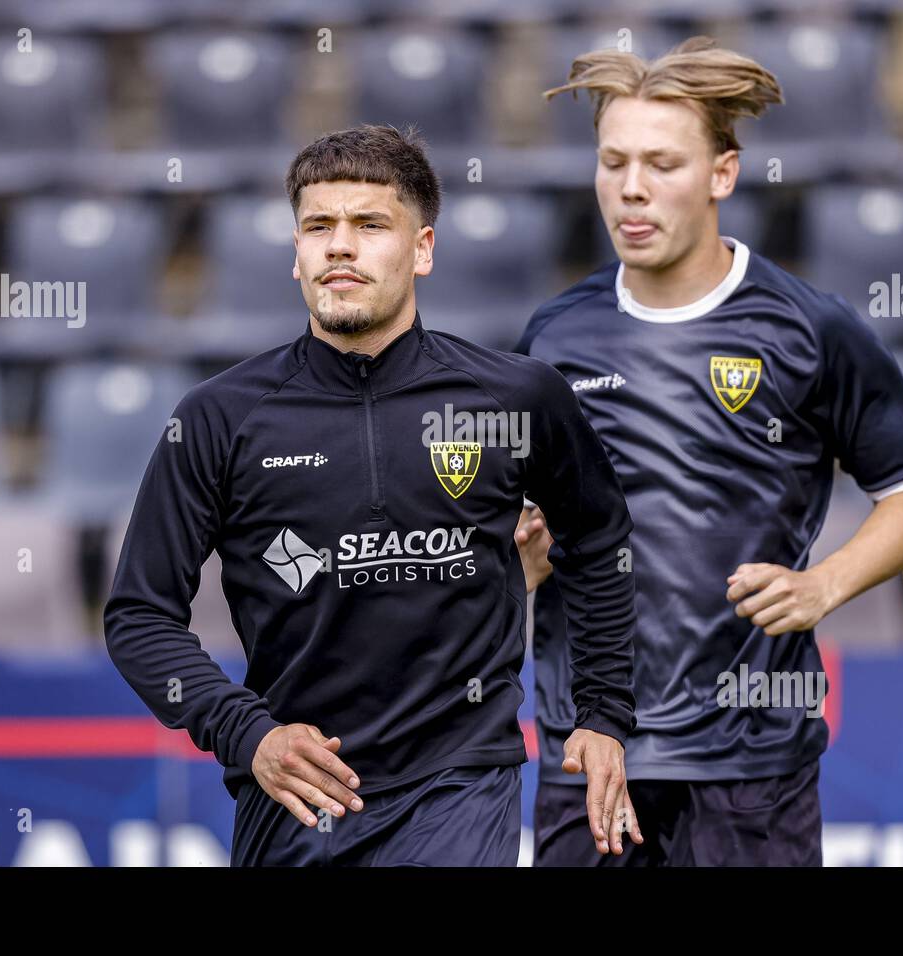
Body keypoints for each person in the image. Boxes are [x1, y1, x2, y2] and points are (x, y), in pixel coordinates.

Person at [106, 124, 641, 866]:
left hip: (459, 785)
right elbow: (138, 616)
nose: (339, 246)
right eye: (318, 226)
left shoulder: (516, 397)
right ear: (296, 254)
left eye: (369, 225)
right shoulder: (218, 418)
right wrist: (248, 734)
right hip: (295, 795)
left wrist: (604, 713)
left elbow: (600, 542)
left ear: (422, 249)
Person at [516, 36, 903, 866]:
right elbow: (522, 531)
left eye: (662, 164)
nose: (631, 188)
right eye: (613, 162)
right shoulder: (555, 335)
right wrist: (519, 560)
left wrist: (824, 584)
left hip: (754, 764)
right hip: (590, 751)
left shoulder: (811, 328)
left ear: (723, 174)